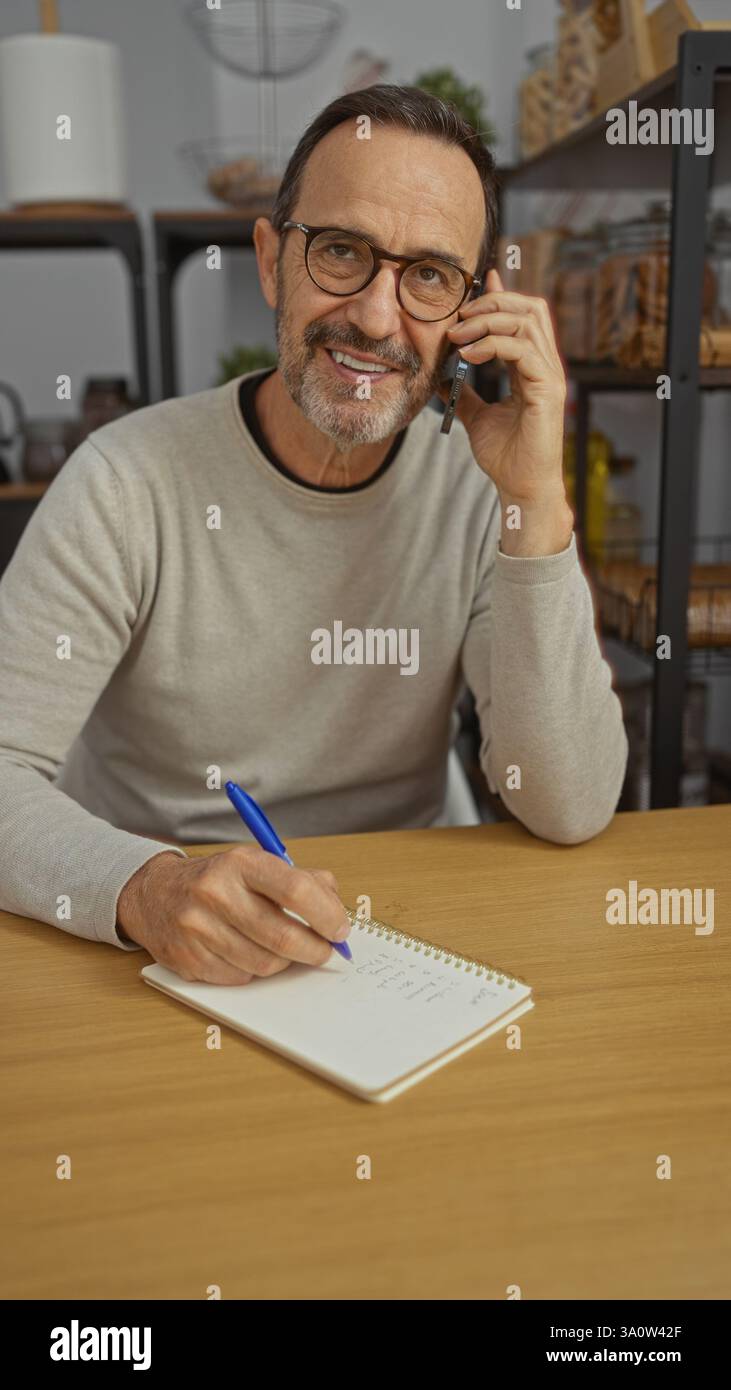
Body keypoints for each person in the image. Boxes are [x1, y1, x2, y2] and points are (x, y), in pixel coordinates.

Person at [0, 86, 627, 983]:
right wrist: (147, 887)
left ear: (470, 314)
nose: (376, 317)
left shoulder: (483, 491)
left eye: (427, 276)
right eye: (340, 252)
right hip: (165, 948)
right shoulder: (122, 481)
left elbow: (569, 804)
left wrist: (535, 498)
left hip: (398, 937)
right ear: (270, 262)